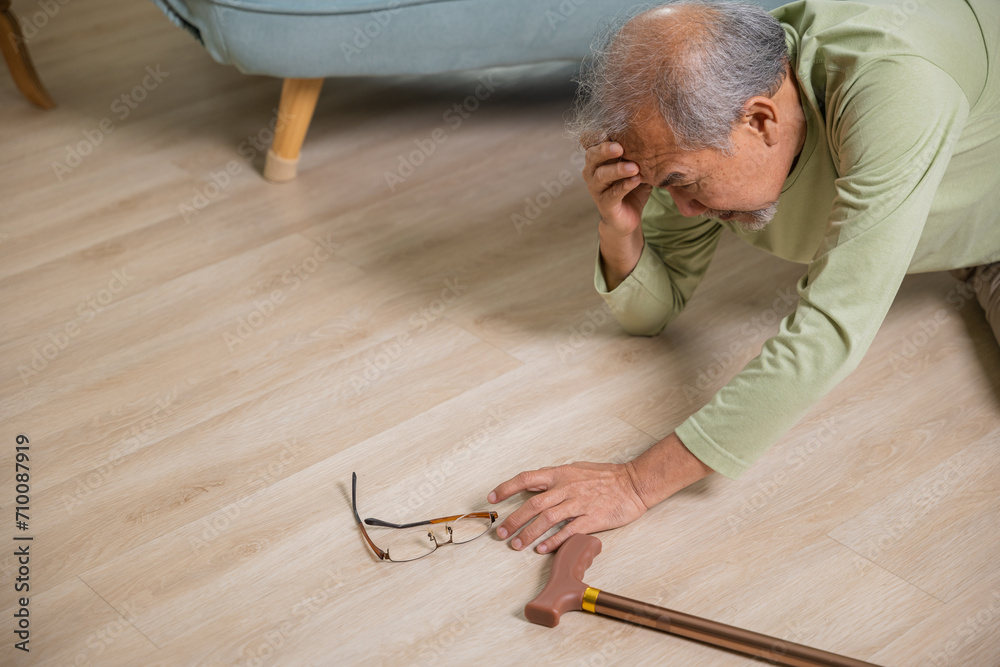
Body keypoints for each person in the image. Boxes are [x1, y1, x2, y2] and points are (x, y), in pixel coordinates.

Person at [487, 0, 1000, 554]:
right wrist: (619, 229)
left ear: (761, 120)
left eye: (684, 181)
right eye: (665, 186)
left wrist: (637, 483)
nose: (680, 208)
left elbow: (829, 333)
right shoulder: (709, 101)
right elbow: (651, 312)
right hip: (943, 232)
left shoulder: (898, 87)